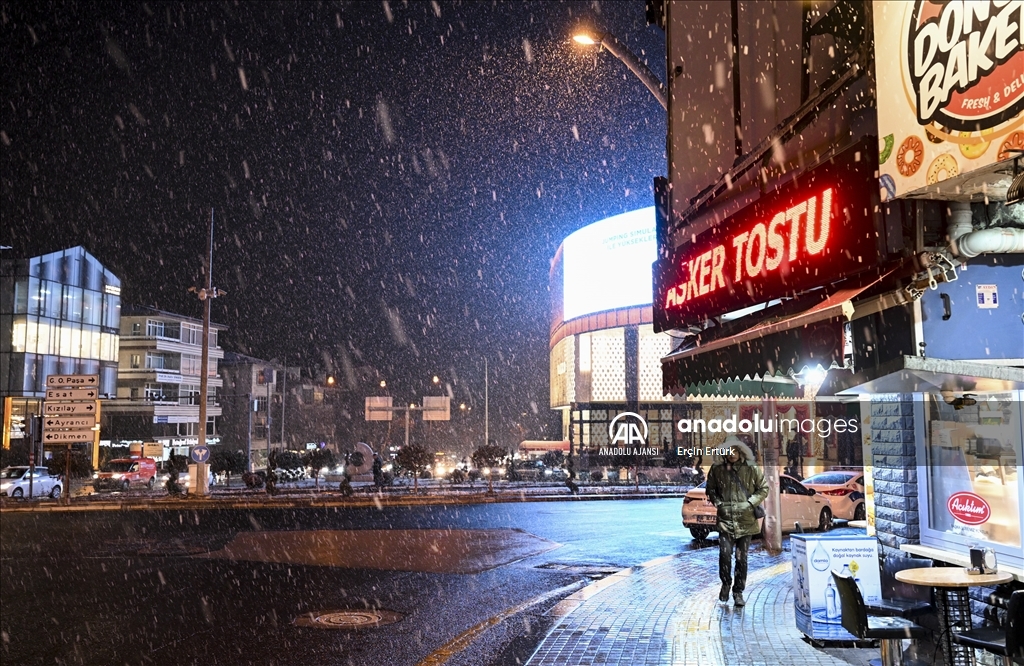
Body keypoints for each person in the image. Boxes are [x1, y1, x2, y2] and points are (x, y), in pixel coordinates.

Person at [705, 436, 768, 607]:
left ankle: (738, 591)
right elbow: (710, 489)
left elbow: (763, 488)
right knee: (725, 555)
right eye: (729, 450)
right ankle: (726, 583)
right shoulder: (718, 468)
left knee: (742, 558)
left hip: (746, 521)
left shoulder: (751, 468)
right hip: (726, 520)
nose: (732, 454)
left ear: (740, 451)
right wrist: (719, 503)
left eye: (735, 450)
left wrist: (750, 503)